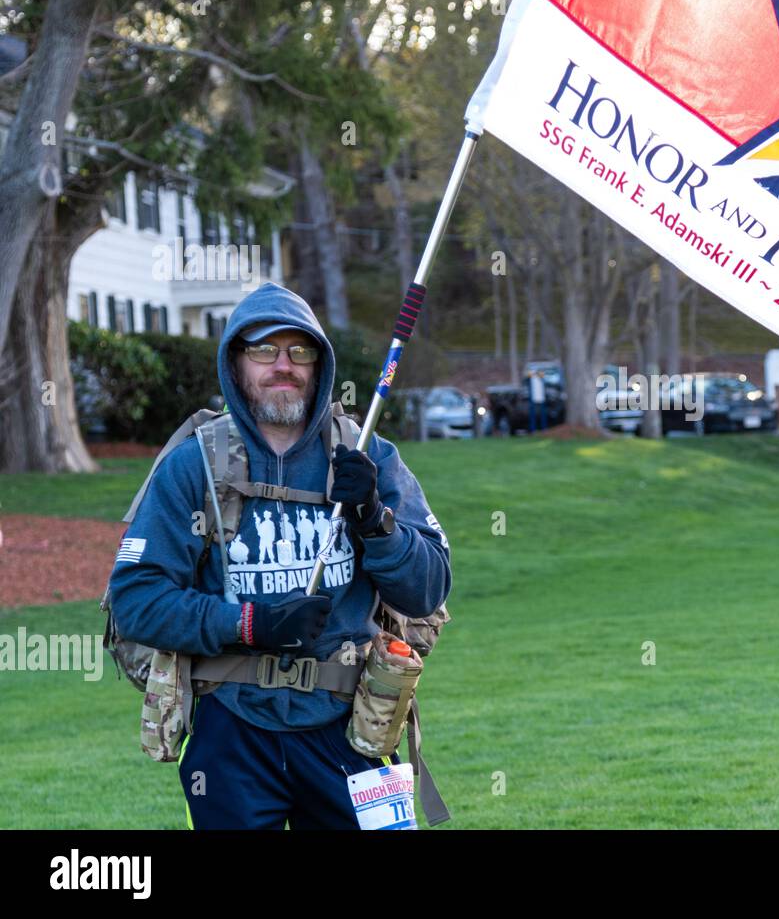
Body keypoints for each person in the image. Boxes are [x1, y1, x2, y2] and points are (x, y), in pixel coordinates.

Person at [108, 282, 452, 829]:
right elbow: (135, 600)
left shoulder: (367, 456)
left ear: (320, 364)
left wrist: (375, 521)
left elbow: (430, 587)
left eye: (300, 351)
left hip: (353, 727)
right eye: (264, 350)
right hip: (231, 734)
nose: (283, 365)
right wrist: (249, 623)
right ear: (235, 364)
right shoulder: (193, 464)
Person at [527, 368, 547, 433]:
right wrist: (532, 374)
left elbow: (543, 376)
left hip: (541, 399)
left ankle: (544, 429)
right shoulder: (531, 379)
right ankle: (533, 430)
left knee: (543, 415)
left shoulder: (542, 379)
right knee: (533, 415)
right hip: (533, 399)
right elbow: (528, 376)